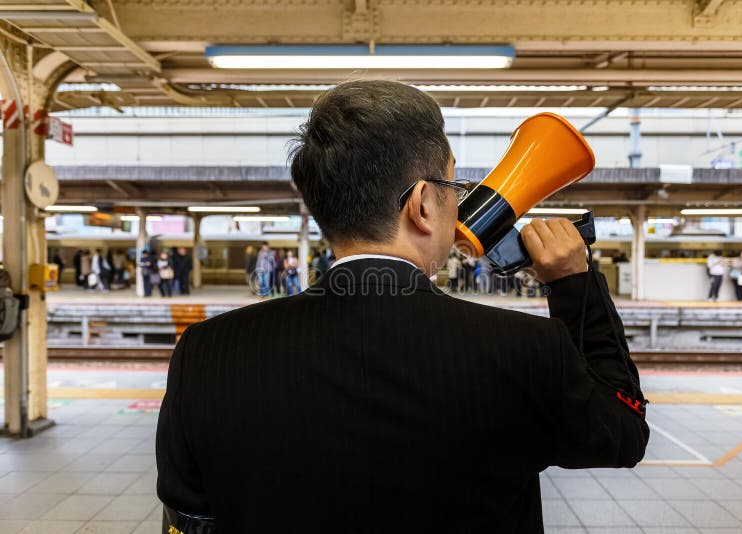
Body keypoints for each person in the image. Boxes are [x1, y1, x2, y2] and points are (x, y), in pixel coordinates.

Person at [157, 81, 648, 533]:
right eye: (453, 189)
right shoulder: (525, 348)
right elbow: (623, 432)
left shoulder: (206, 352)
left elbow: (188, 519)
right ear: (422, 204)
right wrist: (573, 283)